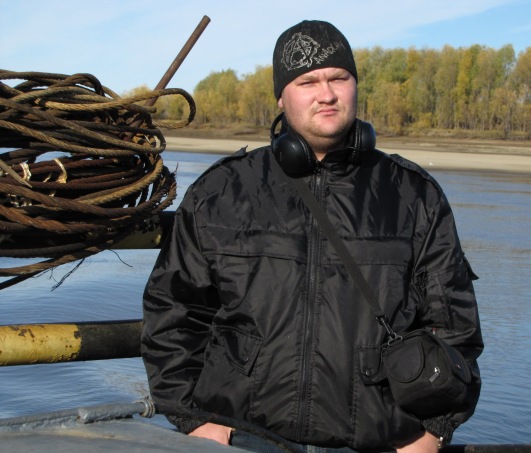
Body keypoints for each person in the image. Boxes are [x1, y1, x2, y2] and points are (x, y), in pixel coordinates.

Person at [141, 20, 483, 453]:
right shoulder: (222, 190)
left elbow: (454, 326)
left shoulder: (413, 194)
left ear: (355, 86)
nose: (327, 94)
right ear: (281, 97)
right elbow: (174, 310)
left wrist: (434, 431)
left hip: (378, 444)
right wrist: (194, 420)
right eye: (307, 82)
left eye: (339, 78)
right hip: (241, 438)